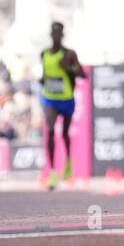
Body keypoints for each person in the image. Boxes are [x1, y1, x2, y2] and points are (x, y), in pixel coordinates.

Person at [39, 21, 84, 190]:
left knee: (64, 133)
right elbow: (45, 74)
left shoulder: (69, 54)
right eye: (54, 34)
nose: (56, 36)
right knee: (50, 131)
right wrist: (43, 80)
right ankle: (52, 173)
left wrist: (69, 68)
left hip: (66, 99)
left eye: (59, 33)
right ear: (51, 36)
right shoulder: (44, 54)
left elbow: (82, 74)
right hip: (50, 98)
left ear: (62, 35)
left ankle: (68, 162)